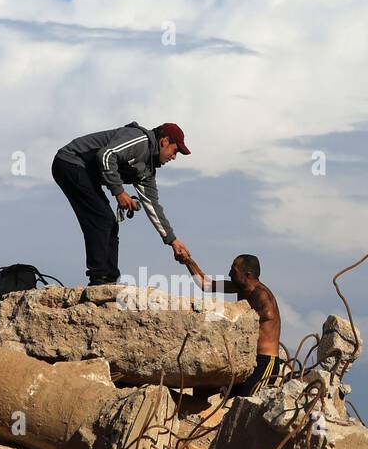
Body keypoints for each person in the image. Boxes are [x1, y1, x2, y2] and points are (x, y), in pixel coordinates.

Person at [52, 121, 192, 285]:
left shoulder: (146, 171)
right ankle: (99, 278)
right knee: (101, 218)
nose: (174, 157)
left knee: (110, 222)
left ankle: (110, 278)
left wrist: (172, 241)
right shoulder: (141, 140)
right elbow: (106, 155)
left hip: (84, 172)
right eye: (175, 151)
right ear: (165, 141)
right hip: (70, 162)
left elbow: (153, 207)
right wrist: (119, 192)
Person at [185, 253, 282, 397]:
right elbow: (207, 285)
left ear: (247, 275)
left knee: (247, 404)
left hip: (264, 362)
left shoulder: (261, 295)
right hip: (244, 360)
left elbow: (267, 314)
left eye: (234, 271)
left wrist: (234, 317)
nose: (229, 273)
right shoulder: (240, 288)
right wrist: (188, 261)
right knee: (205, 388)